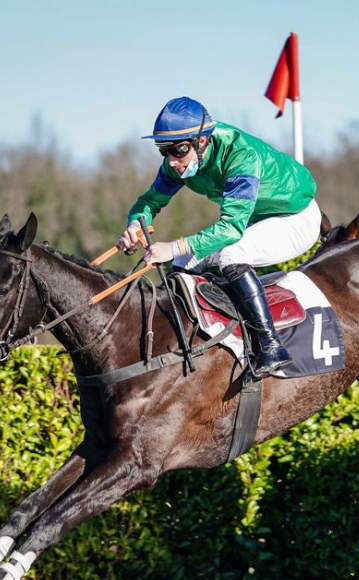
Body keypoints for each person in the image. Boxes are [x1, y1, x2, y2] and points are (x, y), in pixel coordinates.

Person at [119, 97, 320, 379]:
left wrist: (173, 246)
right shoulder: (178, 163)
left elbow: (231, 228)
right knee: (183, 262)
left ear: (202, 140)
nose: (172, 162)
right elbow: (149, 202)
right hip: (255, 218)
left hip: (295, 217)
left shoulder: (241, 154)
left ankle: (270, 346)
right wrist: (135, 225)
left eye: (178, 150)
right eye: (164, 151)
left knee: (229, 255)